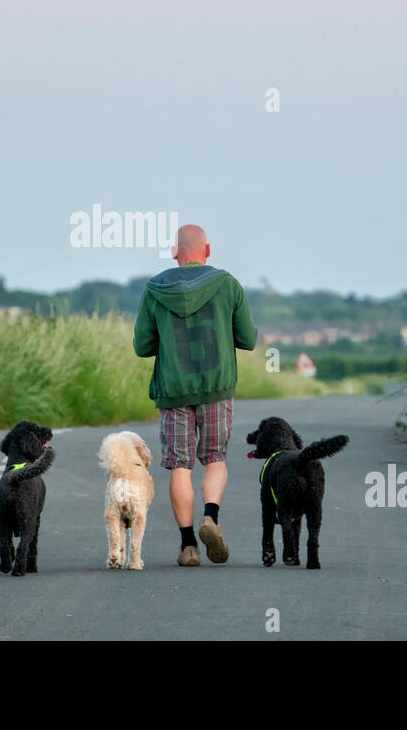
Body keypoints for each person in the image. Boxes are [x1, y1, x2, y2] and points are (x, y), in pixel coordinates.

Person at [132, 224, 258, 566]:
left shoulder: (155, 289)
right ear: (208, 250)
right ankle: (211, 519)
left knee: (180, 467)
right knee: (215, 458)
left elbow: (142, 346)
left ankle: (188, 546)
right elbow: (247, 339)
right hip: (216, 388)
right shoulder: (228, 284)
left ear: (175, 252)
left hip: (173, 391)